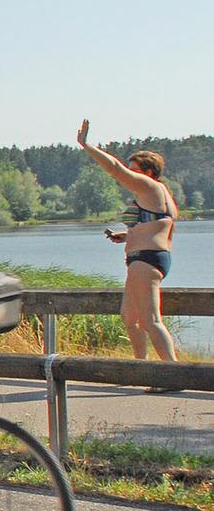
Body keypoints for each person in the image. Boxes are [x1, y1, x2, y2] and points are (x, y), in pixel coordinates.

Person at [80, 119, 178, 363]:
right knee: (130, 317)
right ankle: (140, 366)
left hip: (146, 260)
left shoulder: (150, 186)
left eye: (134, 170)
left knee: (150, 320)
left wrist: (86, 145)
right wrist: (128, 235)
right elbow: (159, 227)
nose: (129, 175)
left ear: (148, 172)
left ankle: (175, 373)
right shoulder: (155, 196)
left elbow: (114, 168)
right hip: (146, 258)